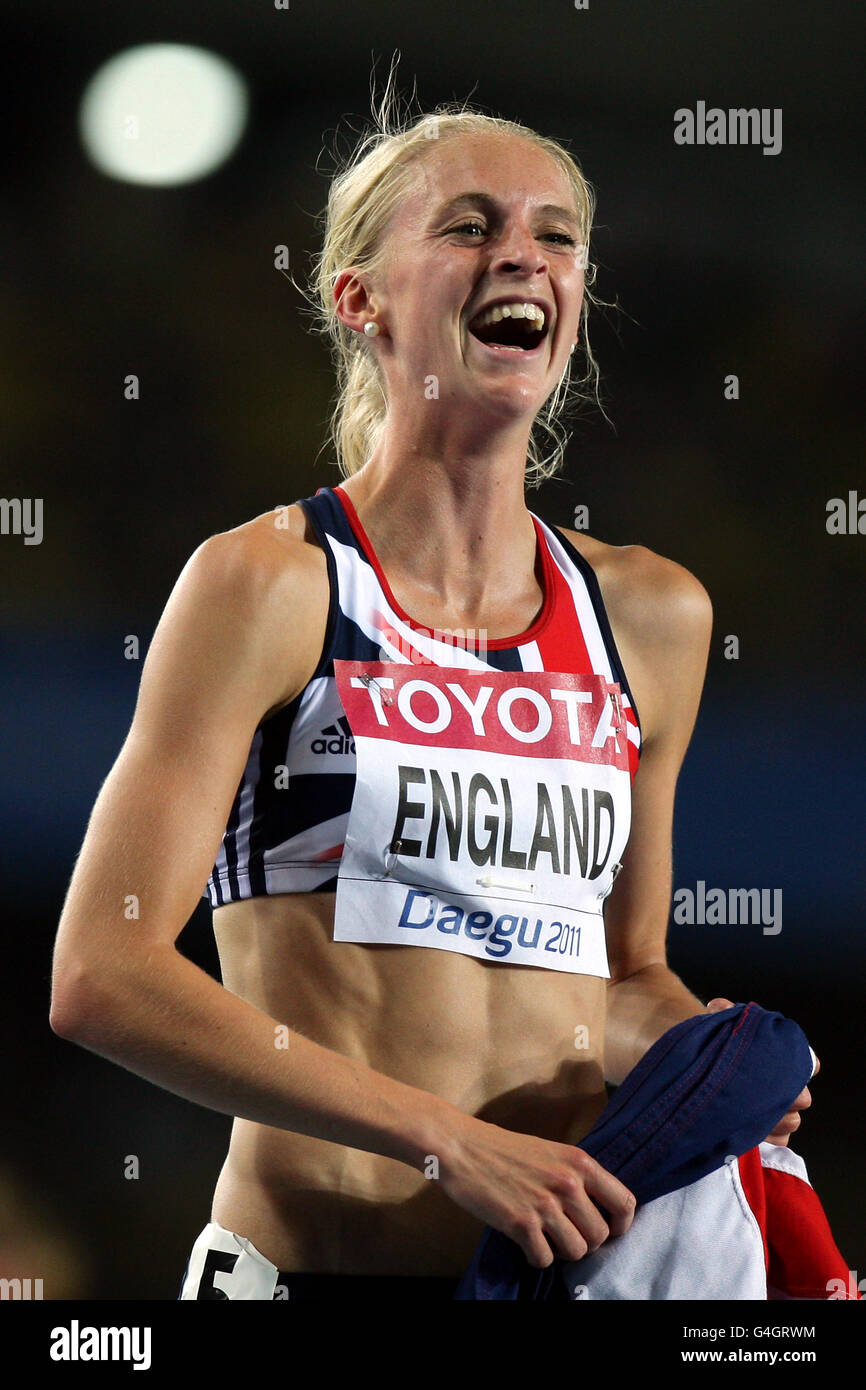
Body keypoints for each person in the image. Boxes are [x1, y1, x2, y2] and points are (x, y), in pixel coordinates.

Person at [49, 85, 815, 1302]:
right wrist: (441, 1136)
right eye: (467, 226)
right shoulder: (269, 585)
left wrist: (695, 1053)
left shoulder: (652, 619)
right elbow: (103, 973)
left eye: (555, 235)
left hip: (543, 1283)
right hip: (306, 1271)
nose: (522, 253)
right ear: (359, 298)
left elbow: (621, 975)